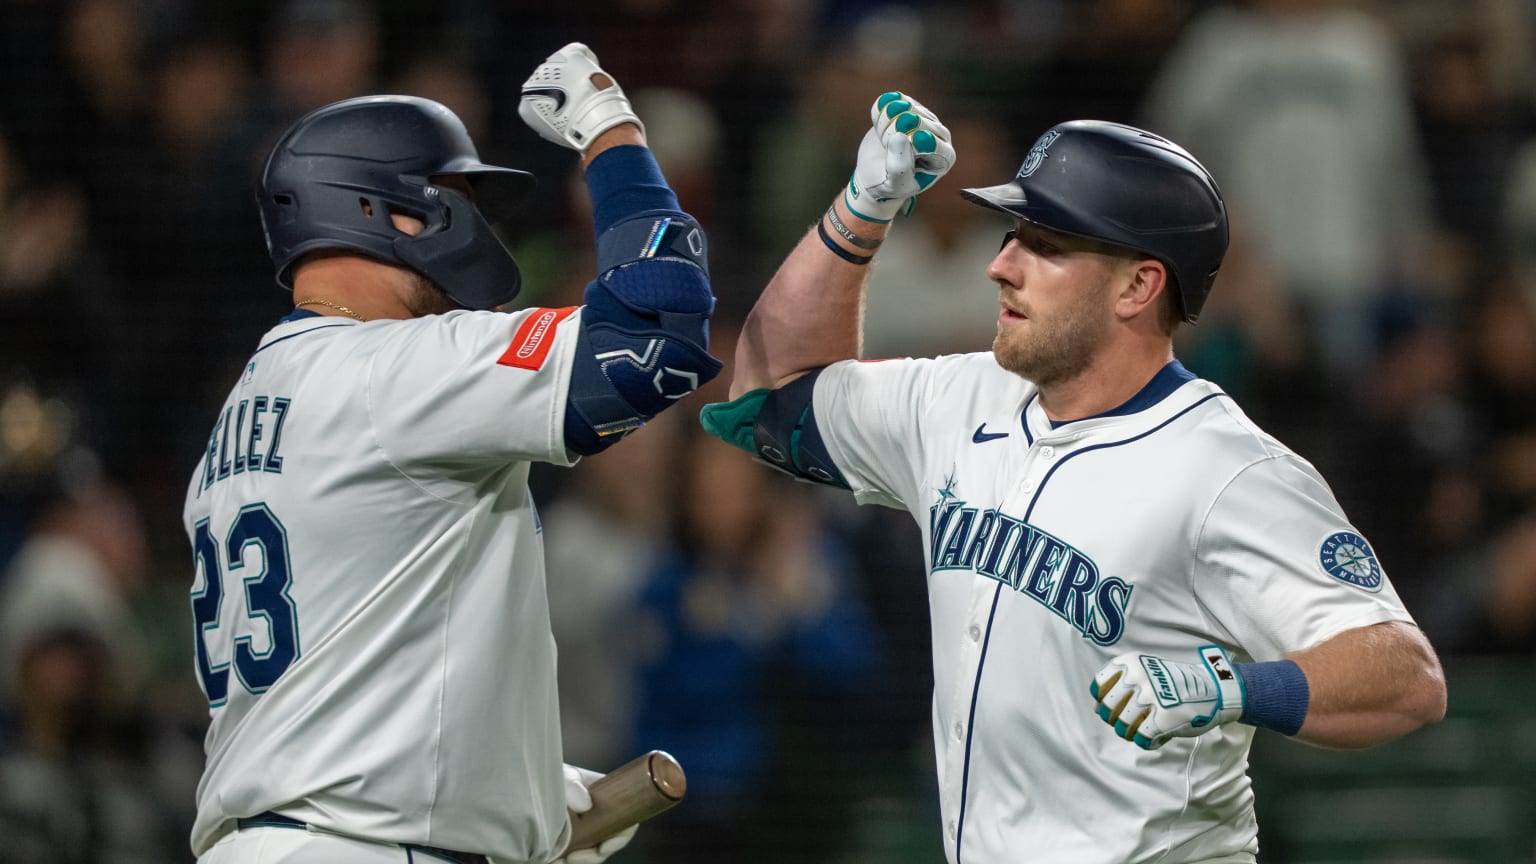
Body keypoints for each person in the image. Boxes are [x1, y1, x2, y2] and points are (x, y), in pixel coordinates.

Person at [700, 92, 1448, 863]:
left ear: (1137, 287)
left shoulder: (1229, 470)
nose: (1000, 265)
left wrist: (1231, 689)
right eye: (1012, 235)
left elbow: (1405, 675)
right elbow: (765, 393)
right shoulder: (959, 397)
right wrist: (864, 209)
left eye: (1046, 245)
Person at [182, 42, 720, 864]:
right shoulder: (388, 370)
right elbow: (653, 337)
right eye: (455, 196)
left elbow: (371, 652)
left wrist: (517, 801)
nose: (473, 221)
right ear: (389, 210)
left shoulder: (247, 411)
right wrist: (610, 128)